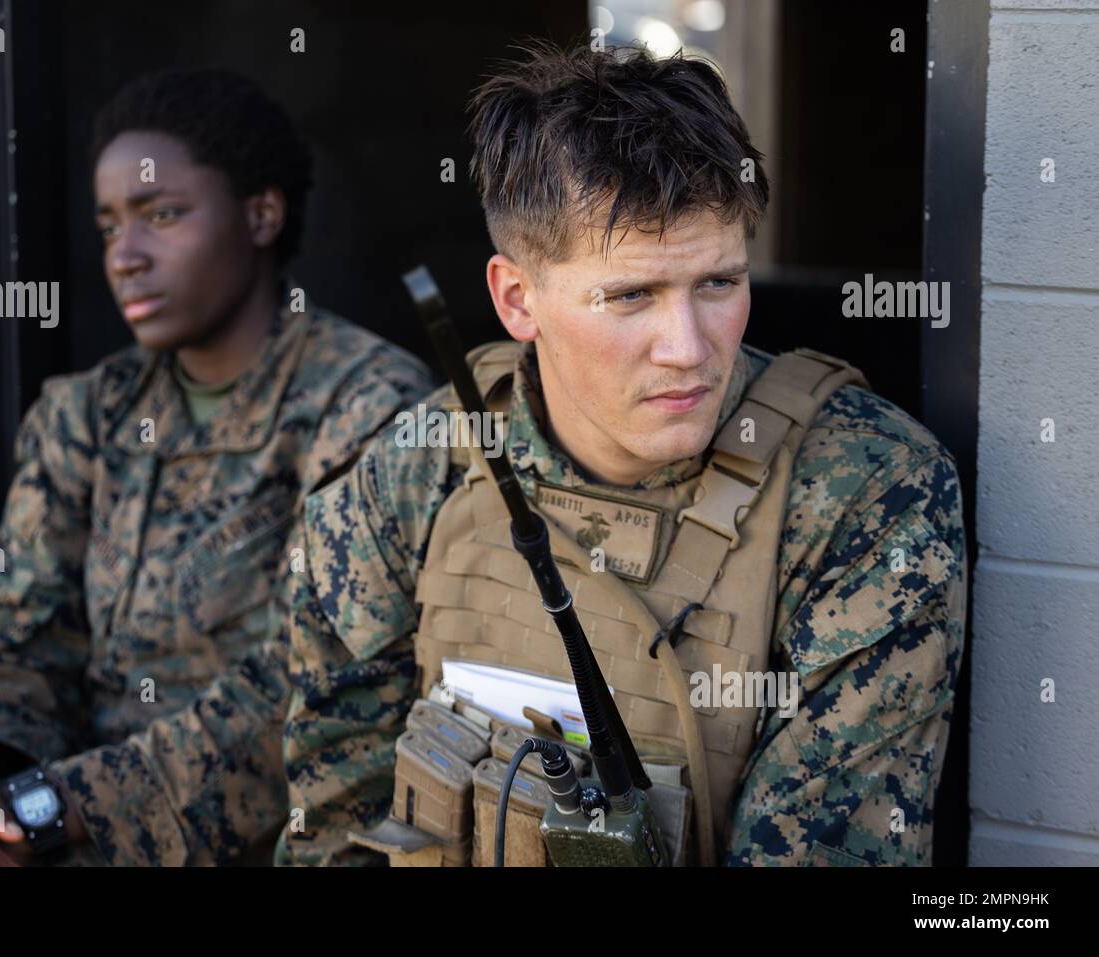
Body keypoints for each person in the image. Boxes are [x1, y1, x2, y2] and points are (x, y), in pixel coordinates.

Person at [275, 43, 966, 867]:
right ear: (517, 299)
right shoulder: (426, 464)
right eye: (632, 295)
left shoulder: (864, 494)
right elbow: (337, 818)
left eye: (718, 283)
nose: (687, 348)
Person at [0, 67, 432, 866]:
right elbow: (16, 637)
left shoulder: (369, 406)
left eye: (162, 215)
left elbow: (310, 701)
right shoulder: (91, 411)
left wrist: (50, 806)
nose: (126, 257)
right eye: (110, 227)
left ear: (261, 214)